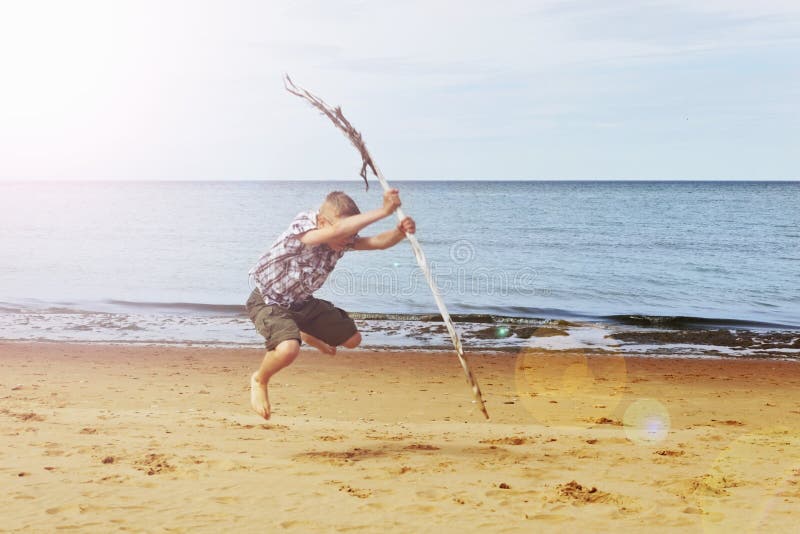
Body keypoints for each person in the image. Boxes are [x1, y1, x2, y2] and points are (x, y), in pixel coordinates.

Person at [246, 188, 416, 419]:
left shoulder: (341, 239)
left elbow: (376, 242)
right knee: (288, 349)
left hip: (301, 303)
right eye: (347, 233)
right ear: (322, 222)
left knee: (353, 340)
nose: (349, 239)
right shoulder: (303, 227)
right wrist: (384, 210)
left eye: (352, 234)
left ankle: (302, 330)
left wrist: (398, 233)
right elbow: (338, 229)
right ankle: (260, 379)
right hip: (269, 301)